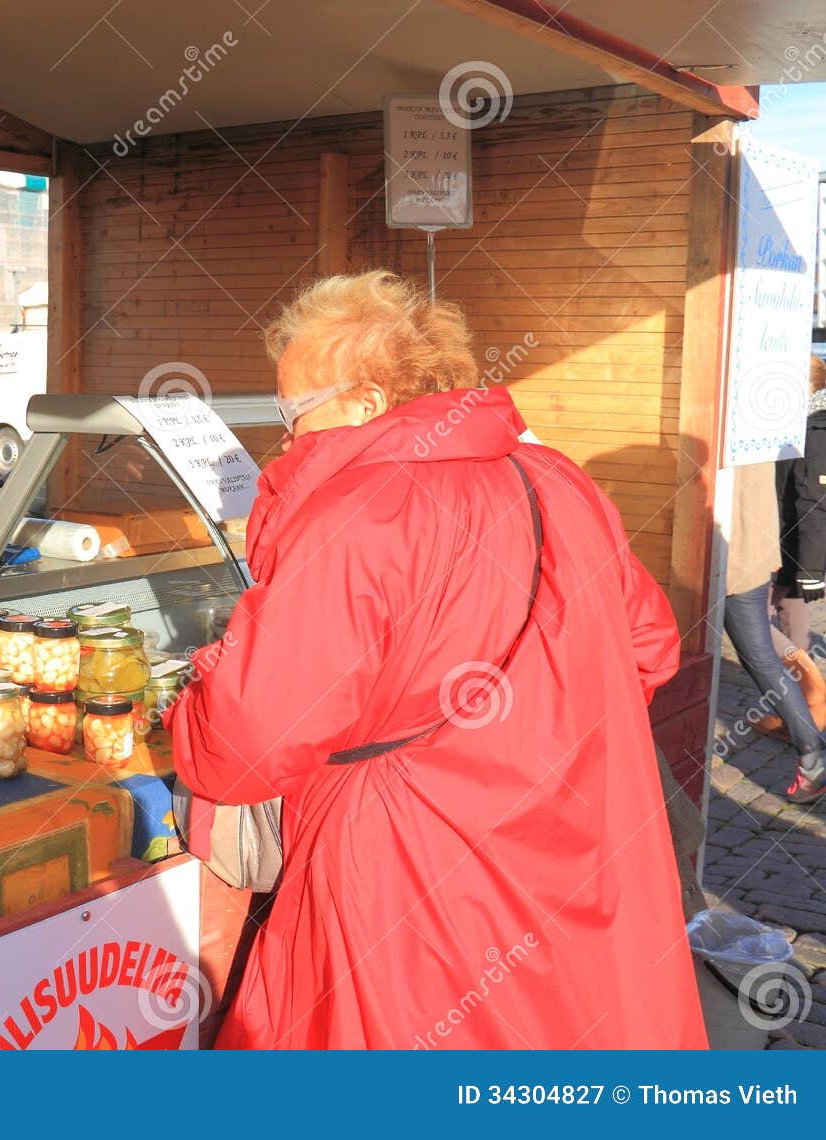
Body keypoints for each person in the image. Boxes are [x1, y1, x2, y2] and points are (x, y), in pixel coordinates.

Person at [164, 271, 705, 1049]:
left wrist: (196, 694)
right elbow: (648, 649)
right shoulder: (559, 480)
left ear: (371, 401)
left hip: (409, 878)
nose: (284, 438)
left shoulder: (360, 515)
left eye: (294, 413)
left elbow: (245, 743)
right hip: (568, 841)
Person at [725, 453, 826, 803]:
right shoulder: (758, 425)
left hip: (728, 554)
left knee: (759, 654)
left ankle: (812, 755)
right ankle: (812, 755)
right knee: (760, 654)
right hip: (747, 551)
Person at [773, 354, 826, 650]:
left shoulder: (815, 430)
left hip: (789, 545)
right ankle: (803, 690)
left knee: (751, 624)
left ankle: (799, 690)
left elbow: (814, 501)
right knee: (792, 621)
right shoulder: (795, 424)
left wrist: (812, 571)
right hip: (788, 544)